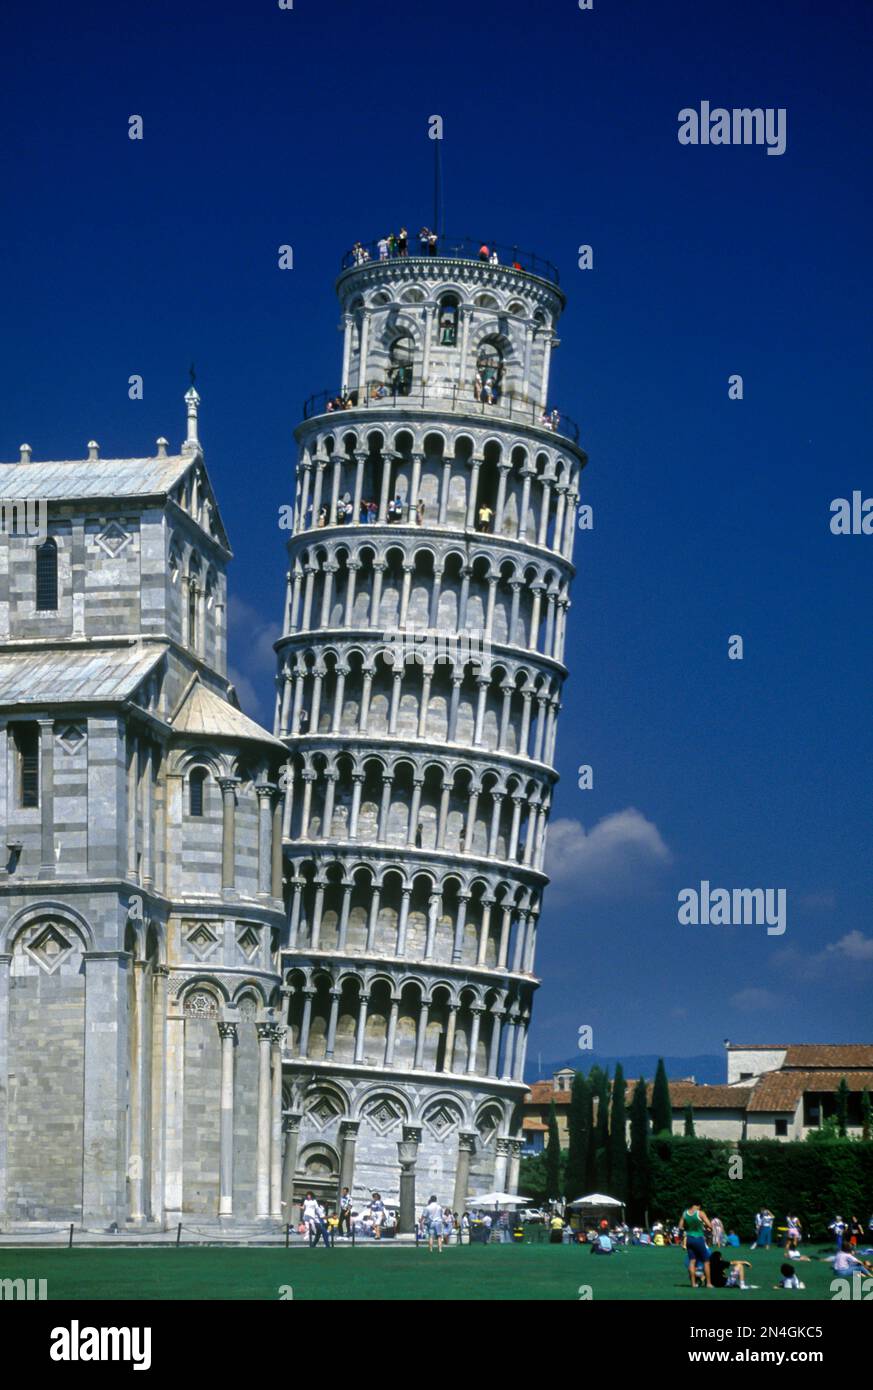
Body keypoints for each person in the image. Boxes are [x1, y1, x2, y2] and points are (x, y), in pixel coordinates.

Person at [679, 1202, 713, 1289]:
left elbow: (680, 1227)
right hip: (698, 1238)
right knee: (706, 1261)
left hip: (689, 1239)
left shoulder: (685, 1213)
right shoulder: (700, 1213)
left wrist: (682, 1239)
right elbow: (710, 1225)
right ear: (698, 1205)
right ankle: (708, 1283)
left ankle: (693, 1284)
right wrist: (707, 1228)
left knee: (692, 1261)